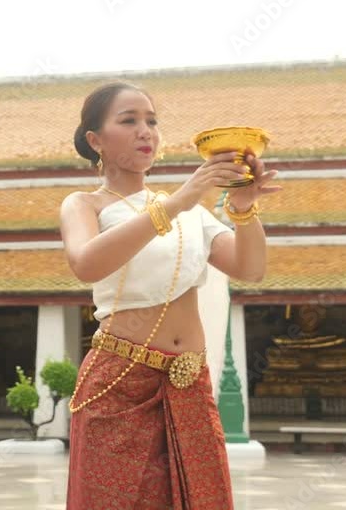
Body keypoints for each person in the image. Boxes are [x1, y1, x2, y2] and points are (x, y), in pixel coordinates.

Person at [60, 82, 281, 509]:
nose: (146, 131)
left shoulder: (191, 212)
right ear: (95, 140)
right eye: (129, 121)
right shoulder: (85, 205)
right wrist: (177, 202)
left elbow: (249, 269)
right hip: (120, 380)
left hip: (188, 380)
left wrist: (243, 208)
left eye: (152, 122)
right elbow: (86, 263)